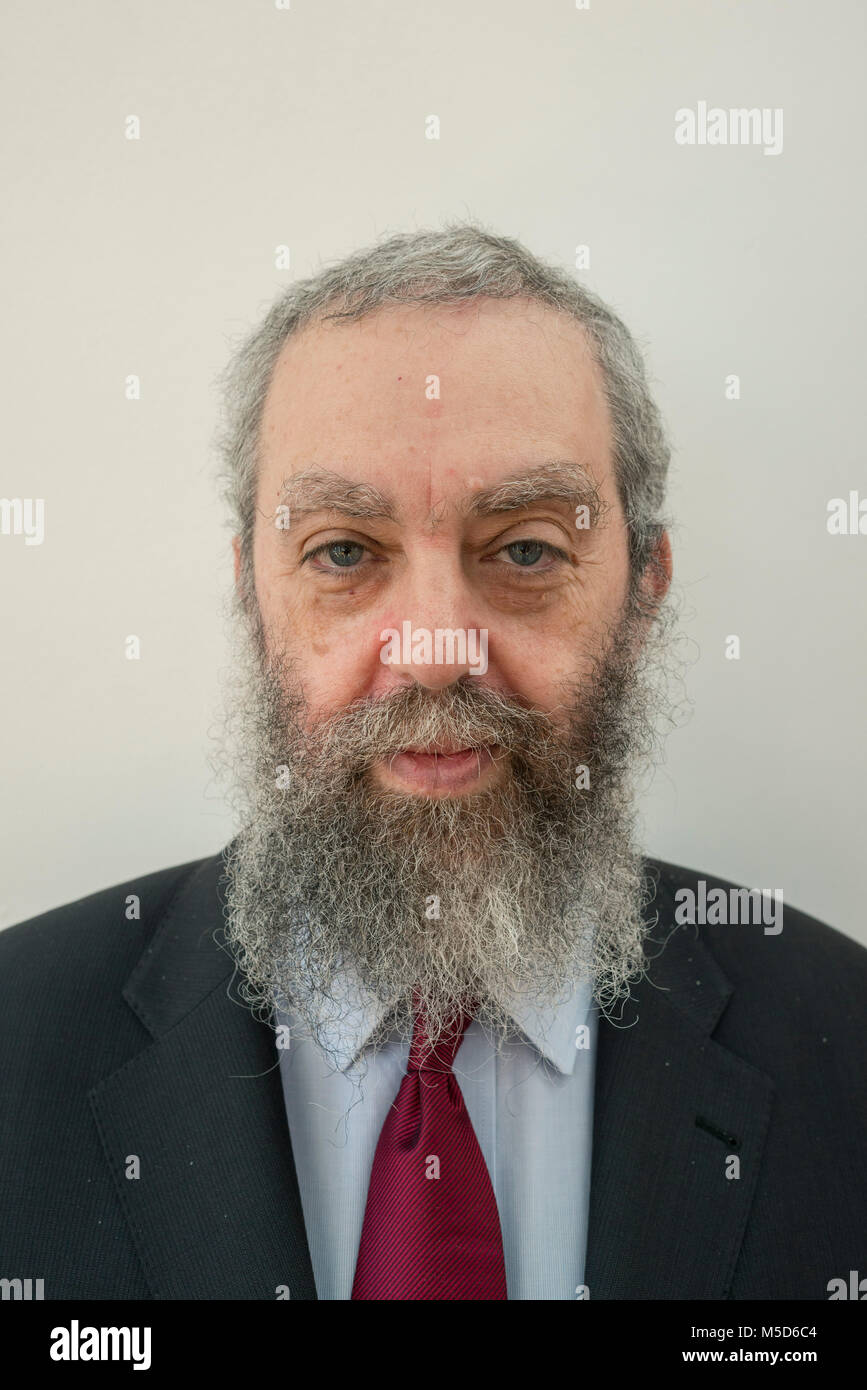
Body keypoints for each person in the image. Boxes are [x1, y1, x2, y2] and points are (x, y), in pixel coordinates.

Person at [1, 224, 864, 1301]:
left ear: (644, 592)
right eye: (344, 552)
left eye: (526, 549)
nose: (436, 650)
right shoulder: (15, 1040)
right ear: (251, 596)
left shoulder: (845, 1049)